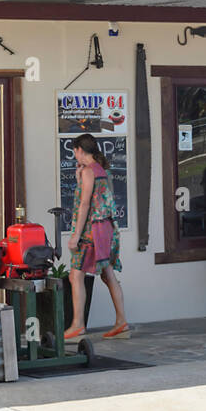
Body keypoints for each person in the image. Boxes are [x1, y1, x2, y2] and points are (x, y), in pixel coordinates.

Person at [63, 134, 130, 340]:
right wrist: (78, 180)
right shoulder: (101, 169)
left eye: (75, 151)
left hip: (91, 231)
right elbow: (98, 198)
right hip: (105, 228)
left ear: (80, 150)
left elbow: (85, 204)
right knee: (108, 274)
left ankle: (77, 325)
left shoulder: (89, 171)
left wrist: (75, 236)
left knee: (76, 275)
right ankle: (121, 322)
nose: (75, 155)